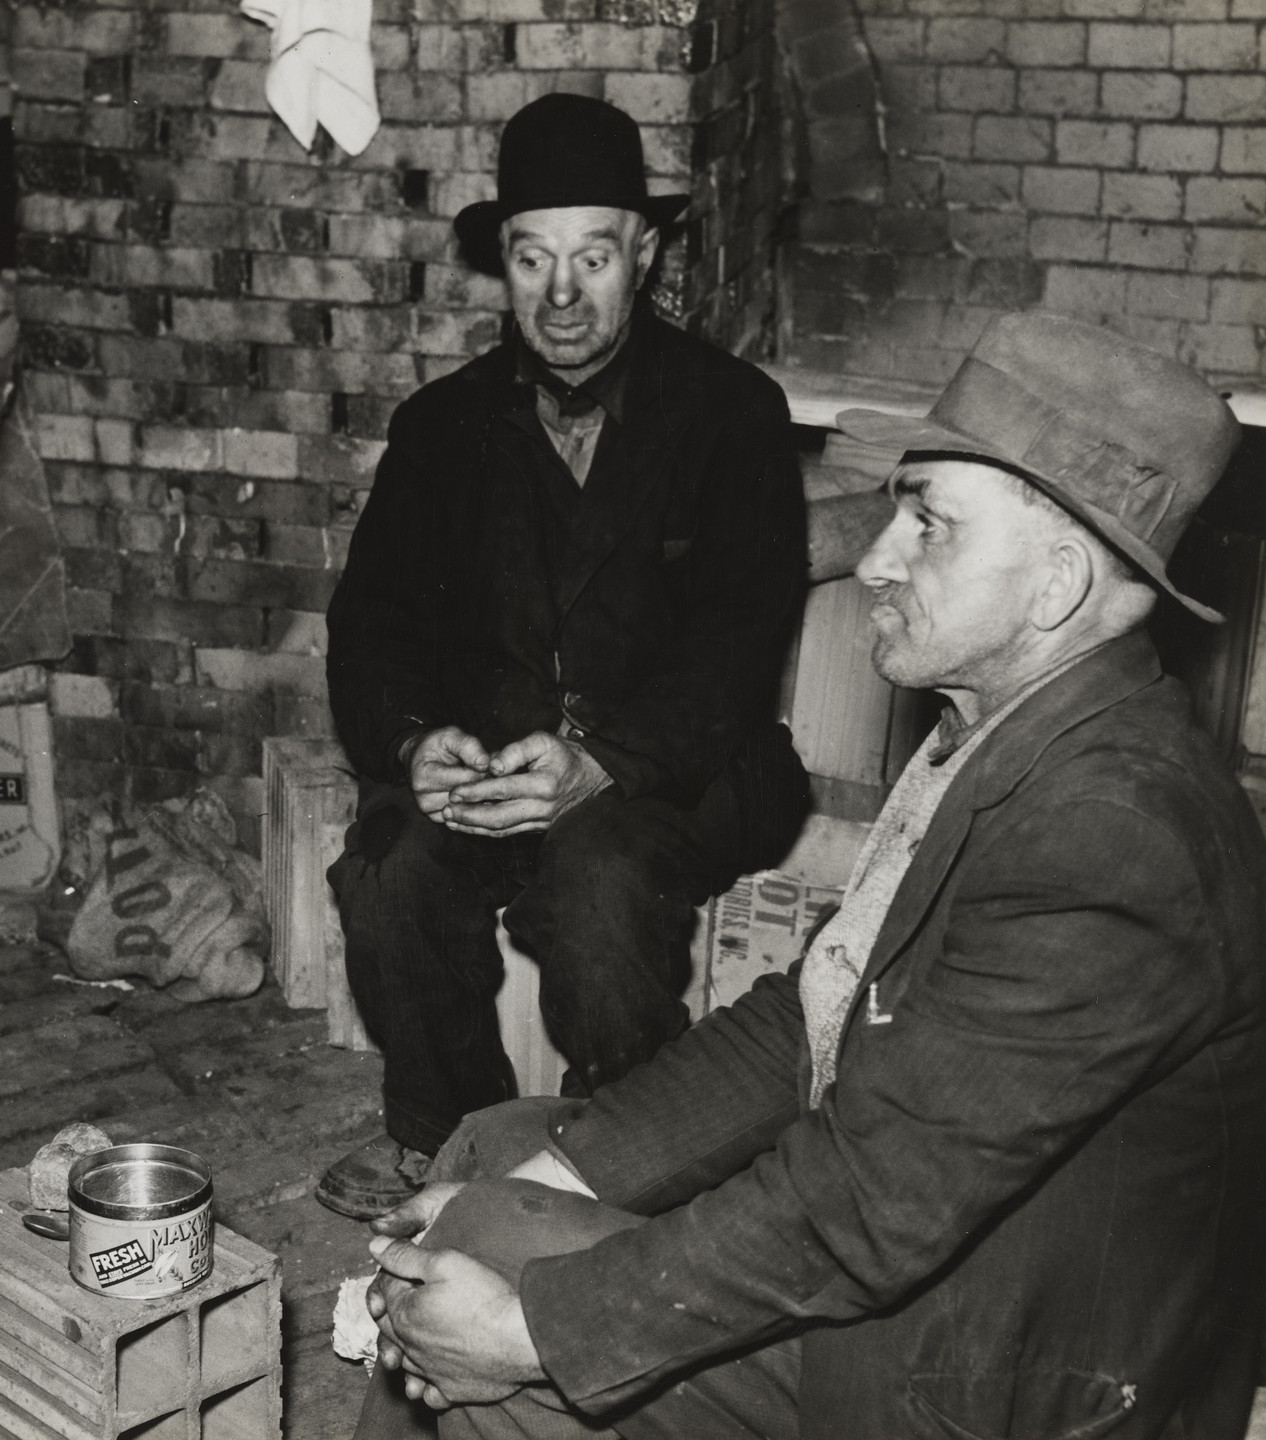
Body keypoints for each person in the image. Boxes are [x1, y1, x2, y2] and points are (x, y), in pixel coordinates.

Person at [355, 311, 1266, 1440]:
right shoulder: (1004, 735)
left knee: (490, 1317)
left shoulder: (1113, 835)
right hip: (917, 1247)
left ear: (1056, 586)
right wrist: (567, 1173)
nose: (874, 560)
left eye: (928, 525)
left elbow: (869, 1201)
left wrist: (536, 1327)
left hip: (1005, 1367)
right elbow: (813, 1012)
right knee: (497, 1157)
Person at [317, 93, 812, 1219]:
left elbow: (738, 645)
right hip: (494, 767)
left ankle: (622, 1144)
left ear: (643, 253)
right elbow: (371, 625)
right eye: (534, 259)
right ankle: (440, 1133)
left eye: (592, 257)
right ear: (504, 262)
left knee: (598, 886)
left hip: (676, 769)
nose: (561, 294)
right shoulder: (441, 428)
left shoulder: (733, 415)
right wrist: (412, 740)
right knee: (390, 869)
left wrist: (600, 762)